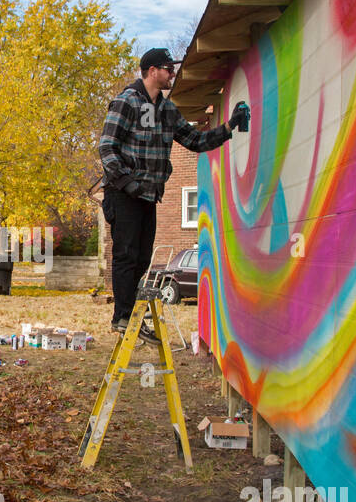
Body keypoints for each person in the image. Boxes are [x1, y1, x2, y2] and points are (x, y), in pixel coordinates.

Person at [99, 47, 249, 343]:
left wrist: (229, 127)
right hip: (124, 193)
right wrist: (127, 182)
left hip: (148, 195)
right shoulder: (126, 101)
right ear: (152, 71)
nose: (172, 74)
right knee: (126, 255)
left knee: (142, 259)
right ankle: (123, 317)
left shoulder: (166, 110)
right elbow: (107, 147)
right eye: (168, 68)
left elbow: (194, 140)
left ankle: (130, 317)